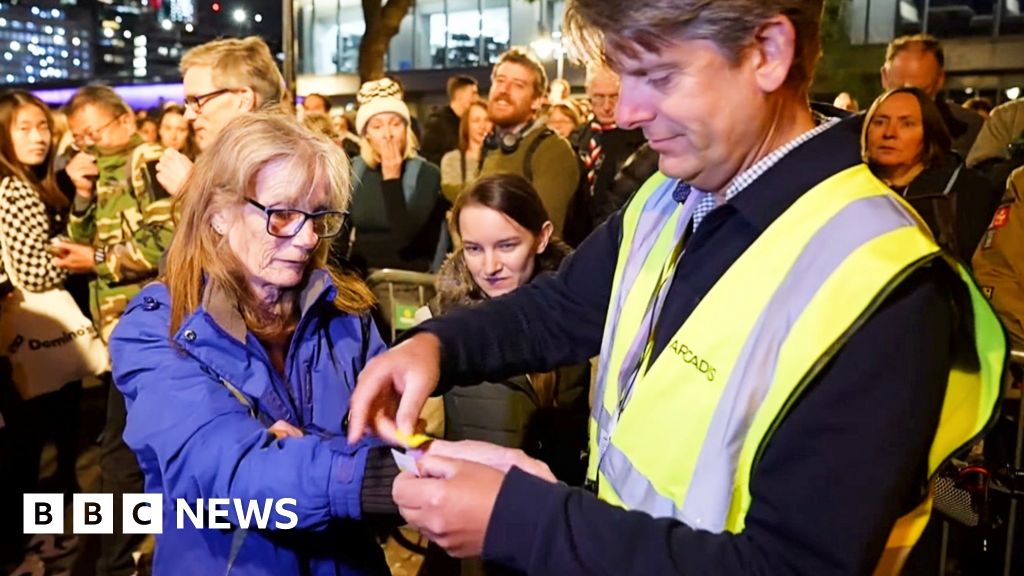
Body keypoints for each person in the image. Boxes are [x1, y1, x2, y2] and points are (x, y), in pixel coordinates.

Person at [347, 1, 1005, 574]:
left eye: (657, 76)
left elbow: (791, 564)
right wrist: (436, 347)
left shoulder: (885, 287)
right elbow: (566, 306)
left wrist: (525, 521)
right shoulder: (674, 192)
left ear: (769, 52)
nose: (628, 112)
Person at [110, 112, 398, 575]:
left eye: (319, 216)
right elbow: (231, 473)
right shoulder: (156, 328)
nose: (306, 238)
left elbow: (393, 438)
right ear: (217, 214)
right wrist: (351, 470)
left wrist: (294, 457)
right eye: (282, 215)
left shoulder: (347, 314)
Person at [60, 85, 172, 576]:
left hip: (154, 332)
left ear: (125, 120)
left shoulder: (148, 162)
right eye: (78, 136)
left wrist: (98, 260)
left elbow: (166, 241)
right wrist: (82, 197)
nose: (85, 144)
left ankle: (117, 560)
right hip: (120, 336)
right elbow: (81, 241)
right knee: (125, 449)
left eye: (94, 132)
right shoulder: (96, 171)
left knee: (122, 453)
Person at [0, 90, 79, 575]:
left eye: (43, 127)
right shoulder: (15, 188)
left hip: (16, 338)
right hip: (25, 334)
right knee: (27, 450)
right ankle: (25, 549)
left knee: (26, 448)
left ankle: (27, 541)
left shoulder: (21, 182)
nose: (38, 137)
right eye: (25, 128)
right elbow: (34, 272)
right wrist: (76, 257)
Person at [862, 87, 1000, 263]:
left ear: (929, 134)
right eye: (879, 122)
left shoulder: (967, 191)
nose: (889, 133)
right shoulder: (850, 188)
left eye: (907, 124)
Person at [334, 78, 445, 274]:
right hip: (362, 280)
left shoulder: (426, 174)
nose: (387, 134)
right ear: (366, 134)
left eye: (395, 124)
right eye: (377, 127)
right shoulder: (355, 171)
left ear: (406, 129)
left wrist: (391, 179)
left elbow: (404, 239)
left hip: (408, 283)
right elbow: (340, 238)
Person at [154, 36, 286, 197]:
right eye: (187, 103)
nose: (188, 116)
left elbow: (250, 221)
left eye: (197, 100)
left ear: (243, 100)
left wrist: (191, 191)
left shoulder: (282, 171)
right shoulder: (231, 166)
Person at [478, 48, 580, 236]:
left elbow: (543, 234)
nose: (504, 90)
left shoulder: (553, 150)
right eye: (500, 81)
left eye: (518, 85)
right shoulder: (492, 146)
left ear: (537, 101)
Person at [565, 65, 646, 246]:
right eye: (599, 97)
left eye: (614, 96)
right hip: (577, 242)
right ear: (589, 93)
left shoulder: (643, 139)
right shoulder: (578, 137)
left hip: (620, 238)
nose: (607, 106)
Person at [880, 34, 983, 157]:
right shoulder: (855, 131)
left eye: (919, 92)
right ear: (884, 77)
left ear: (939, 80)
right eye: (898, 90)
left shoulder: (971, 129)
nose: (907, 101)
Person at [420, 75, 479, 166]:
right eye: (473, 93)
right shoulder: (437, 124)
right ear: (459, 94)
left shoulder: (468, 123)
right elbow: (427, 157)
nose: (477, 98)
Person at [440, 99, 491, 203]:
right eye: (476, 120)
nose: (482, 126)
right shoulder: (451, 159)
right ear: (466, 125)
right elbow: (452, 193)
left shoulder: (499, 158)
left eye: (487, 120)